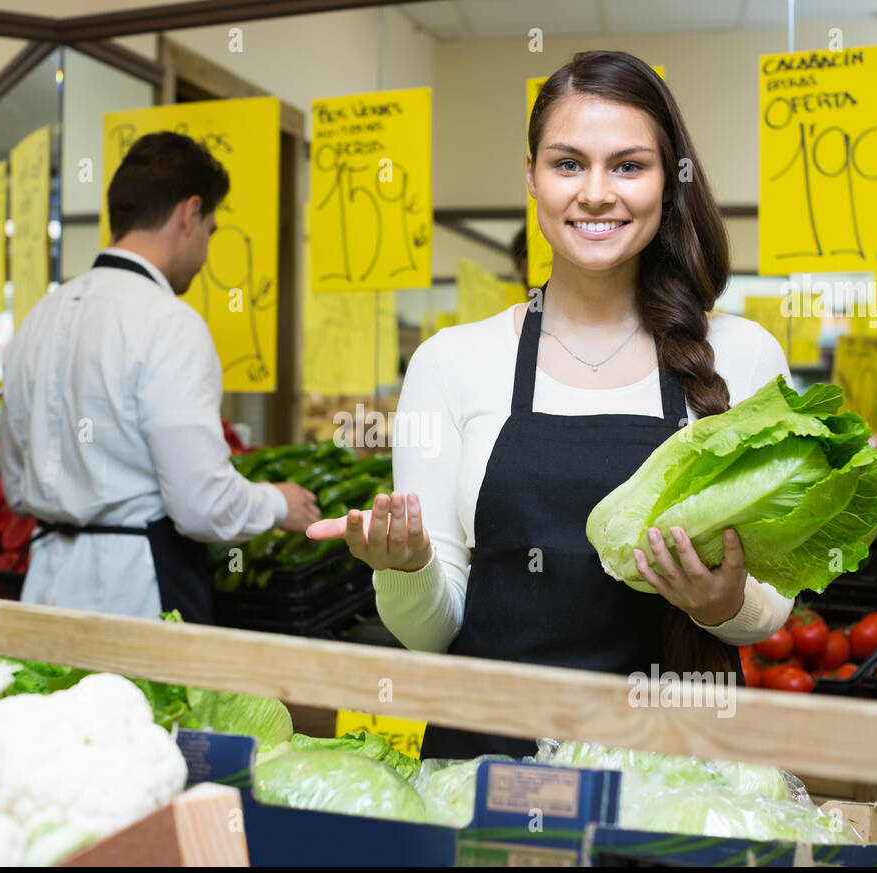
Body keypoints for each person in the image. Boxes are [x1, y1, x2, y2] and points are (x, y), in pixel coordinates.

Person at [308, 51, 795, 759]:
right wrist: (405, 568)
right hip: (487, 771)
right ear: (531, 175)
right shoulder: (451, 363)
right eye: (568, 164)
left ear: (670, 181)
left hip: (673, 775)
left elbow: (766, 614)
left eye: (629, 165)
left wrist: (718, 603)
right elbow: (429, 633)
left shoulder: (743, 356)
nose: (596, 193)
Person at [1, 131, 319, 623]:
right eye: (211, 231)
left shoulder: (40, 316)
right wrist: (277, 503)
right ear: (189, 214)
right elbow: (200, 505)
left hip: (43, 586)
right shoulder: (169, 322)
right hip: (137, 597)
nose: (207, 252)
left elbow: (17, 486)